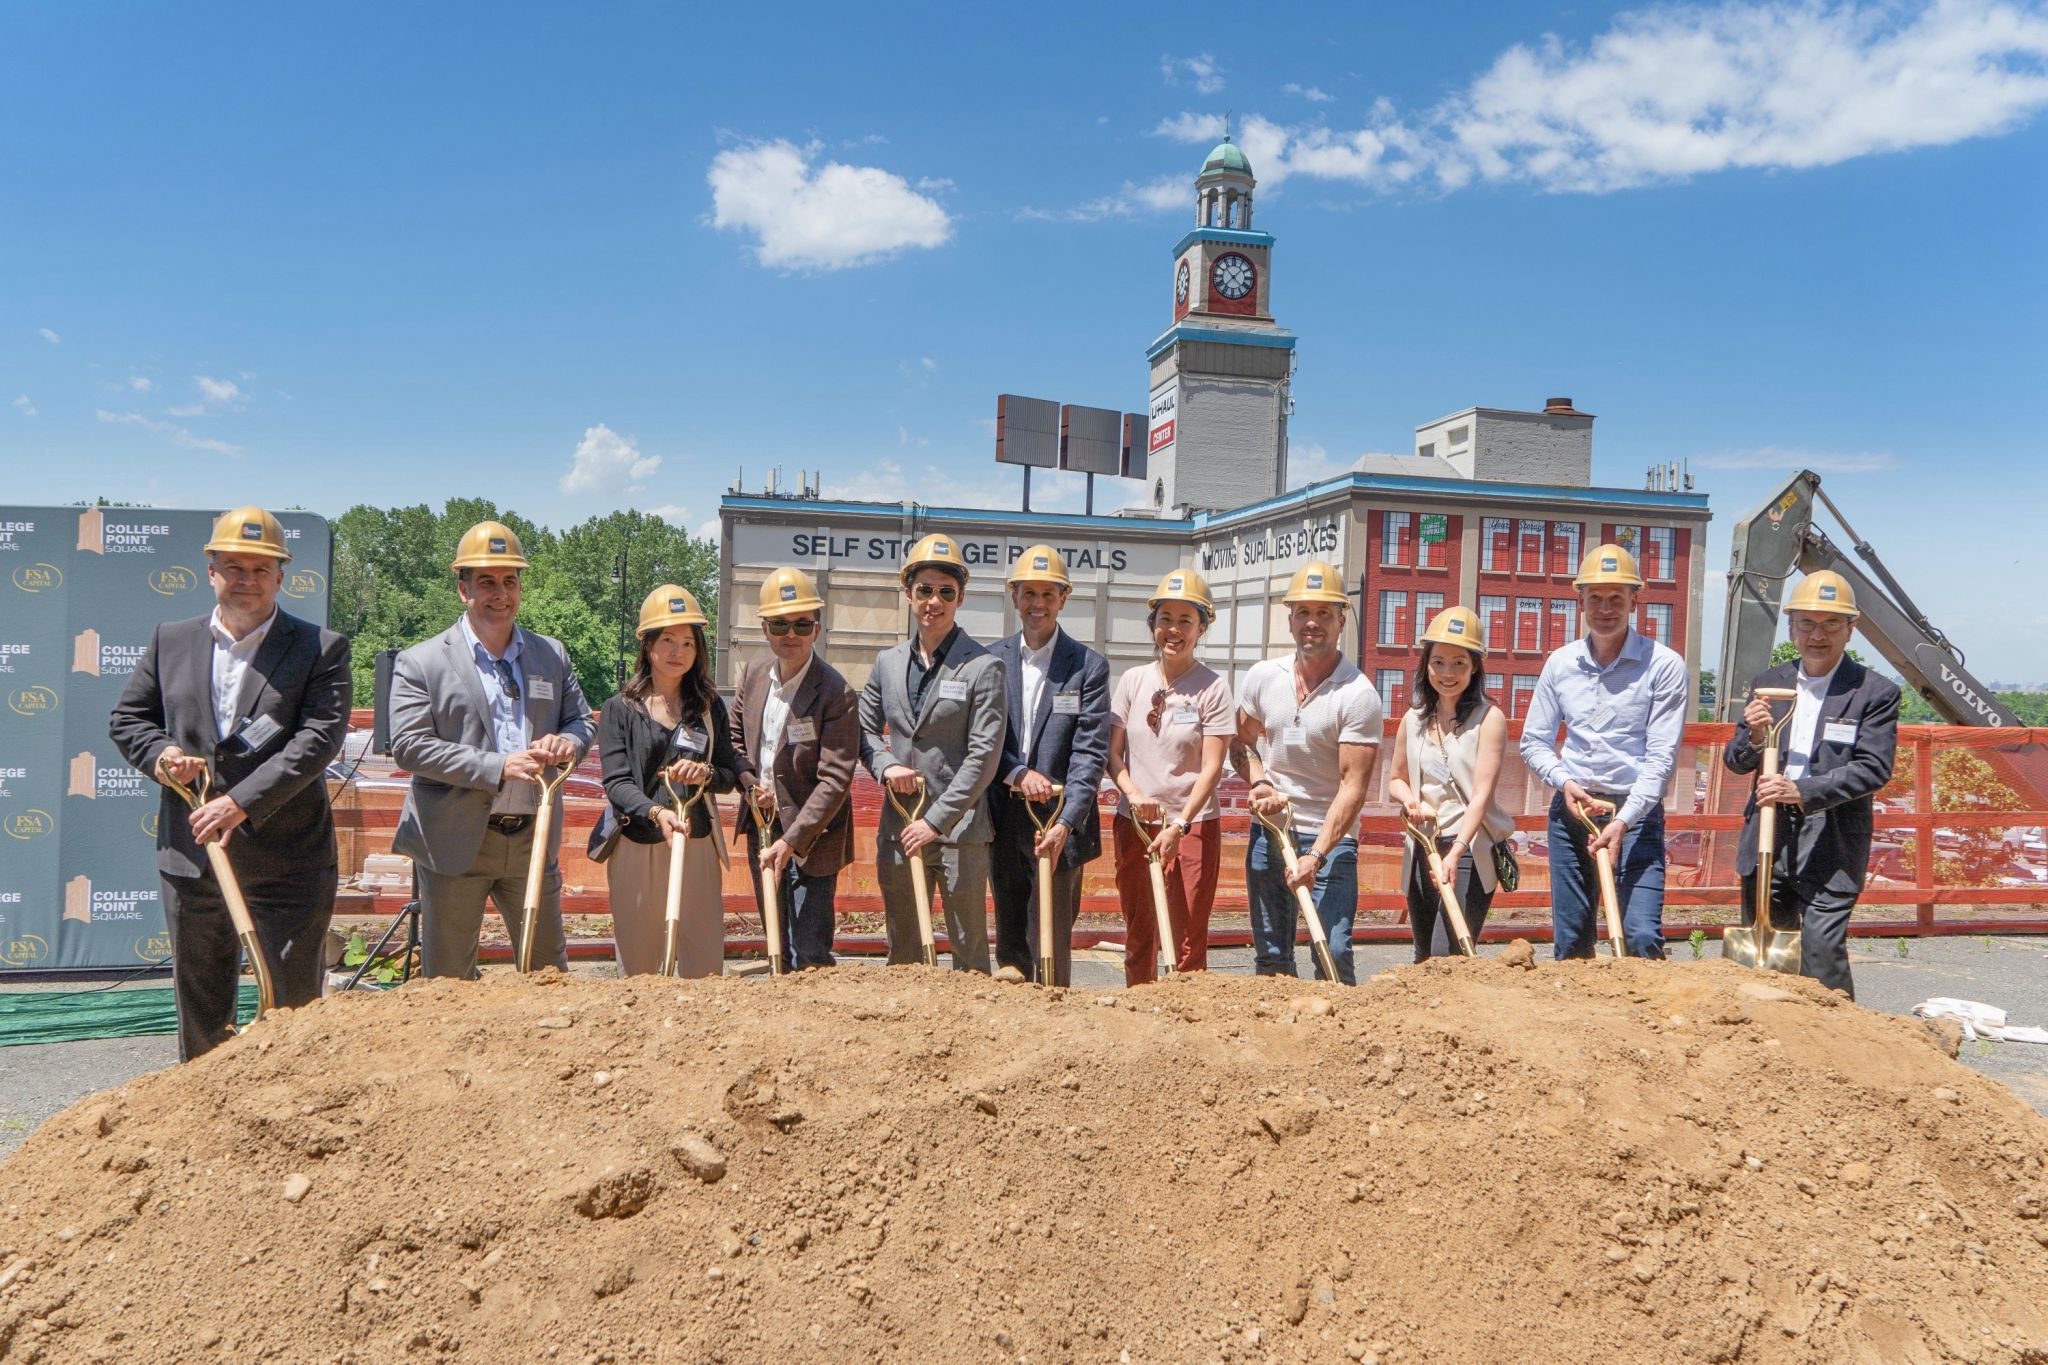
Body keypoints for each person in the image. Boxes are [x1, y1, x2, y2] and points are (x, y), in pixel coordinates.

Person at [109, 506, 351, 1061]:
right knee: (202, 1008)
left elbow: (317, 740)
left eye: (260, 569)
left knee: (293, 1009)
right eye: (234, 566)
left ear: (280, 577)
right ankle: (202, 1123)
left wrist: (240, 801)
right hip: (193, 858)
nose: (247, 579)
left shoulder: (321, 648)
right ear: (211, 570)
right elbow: (128, 721)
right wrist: (164, 756)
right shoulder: (170, 640)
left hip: (288, 861)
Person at [389, 520, 593, 978]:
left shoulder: (551, 655)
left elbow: (580, 721)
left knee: (547, 973)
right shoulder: (421, 662)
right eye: (486, 582)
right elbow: (409, 746)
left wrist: (569, 742)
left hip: (531, 839)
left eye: (509, 581)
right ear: (463, 588)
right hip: (455, 842)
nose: (500, 594)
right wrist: (498, 766)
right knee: (448, 981)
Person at [1724, 570, 1897, 997]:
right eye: (1807, 623)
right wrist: (1755, 735)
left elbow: (1873, 767)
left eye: (1830, 623)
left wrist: (1803, 790)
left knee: (1820, 951)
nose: (1817, 635)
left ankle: (1841, 1042)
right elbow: (1736, 760)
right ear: (1791, 627)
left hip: (1832, 839)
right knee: (1769, 967)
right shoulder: (1769, 683)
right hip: (1769, 835)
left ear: (1850, 629)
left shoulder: (1873, 692)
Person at [1519, 543, 1688, 960]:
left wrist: (1625, 820)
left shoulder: (1663, 666)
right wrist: (1565, 783)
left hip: (1637, 813)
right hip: (1573, 812)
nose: (1605, 608)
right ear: (1580, 600)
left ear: (1635, 599)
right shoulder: (1560, 664)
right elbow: (1533, 741)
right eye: (1595, 597)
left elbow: (1661, 759)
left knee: (1641, 936)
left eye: (1616, 598)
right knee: (1572, 941)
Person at [859, 533, 1008, 972]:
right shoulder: (886, 664)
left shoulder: (984, 667)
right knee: (903, 951)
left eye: (946, 591)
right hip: (899, 828)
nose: (934, 601)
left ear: (960, 597)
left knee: (969, 955)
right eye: (924, 590)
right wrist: (885, 766)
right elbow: (864, 730)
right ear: (908, 593)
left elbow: (983, 757)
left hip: (961, 834)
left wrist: (935, 821)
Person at [1232, 560, 1383, 984]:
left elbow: (1354, 787)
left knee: (1332, 951)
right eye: (1303, 612)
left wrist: (1315, 854)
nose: (1312, 623)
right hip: (1271, 831)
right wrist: (1260, 780)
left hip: (1331, 840)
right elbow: (1240, 743)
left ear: (1341, 619)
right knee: (1272, 955)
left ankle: (1340, 1038)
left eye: (1323, 613)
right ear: (1290, 618)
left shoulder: (1358, 695)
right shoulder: (1264, 677)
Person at [597, 585, 738, 977]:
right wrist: (654, 810)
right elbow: (617, 782)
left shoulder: (710, 707)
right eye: (668, 640)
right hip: (637, 841)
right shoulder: (619, 709)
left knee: (704, 961)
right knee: (640, 964)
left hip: (696, 842)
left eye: (688, 643)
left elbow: (727, 773)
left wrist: (705, 774)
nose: (679, 652)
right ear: (647, 645)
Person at [987, 545, 1110, 986]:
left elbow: (1089, 753)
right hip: (1003, 820)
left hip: (1059, 826)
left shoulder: (1087, 666)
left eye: (1048, 594)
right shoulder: (989, 662)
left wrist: (1067, 822)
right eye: (1029, 593)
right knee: (1011, 944)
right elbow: (983, 740)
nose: (1037, 603)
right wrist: (1017, 772)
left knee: (1051, 945)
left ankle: (1055, 1038)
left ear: (1064, 597)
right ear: (1014, 596)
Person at [1105, 567, 1233, 985]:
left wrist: (1180, 823)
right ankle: (1140, 1022)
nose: (1173, 630)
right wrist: (1132, 792)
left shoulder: (1212, 688)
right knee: (1139, 932)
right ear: (1153, 623)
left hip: (1191, 826)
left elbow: (1212, 766)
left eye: (1185, 620)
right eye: (1165, 619)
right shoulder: (1132, 681)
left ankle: (1187, 1028)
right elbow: (1113, 752)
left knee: (1188, 938)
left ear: (1201, 627)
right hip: (1136, 823)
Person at [730, 567, 858, 972]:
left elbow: (835, 779)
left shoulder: (837, 693)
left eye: (801, 624)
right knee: (775, 944)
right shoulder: (752, 675)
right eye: (780, 624)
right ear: (764, 628)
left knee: (810, 951)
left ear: (816, 630)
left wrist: (792, 840)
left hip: (813, 840)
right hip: (761, 823)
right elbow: (735, 742)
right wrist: (752, 786)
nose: (791, 633)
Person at [1385, 606, 1513, 962]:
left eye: (1459, 663)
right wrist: (1410, 801)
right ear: (1426, 664)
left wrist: (1455, 852)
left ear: (1475, 666)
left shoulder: (1489, 719)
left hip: (1468, 847)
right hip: (1422, 845)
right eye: (1438, 661)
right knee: (1425, 953)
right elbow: (1396, 779)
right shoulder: (1413, 720)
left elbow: (1481, 798)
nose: (1447, 673)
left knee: (1448, 954)